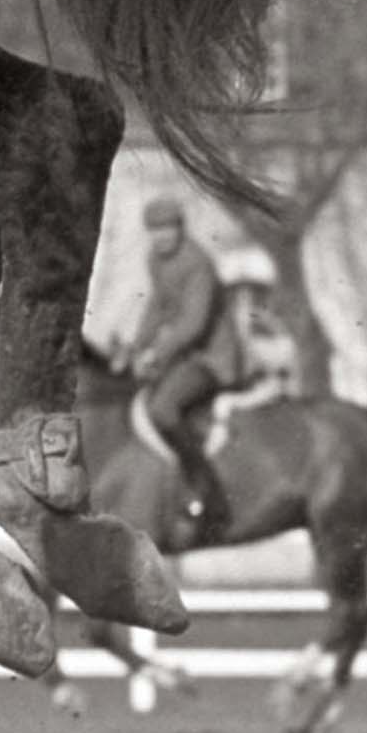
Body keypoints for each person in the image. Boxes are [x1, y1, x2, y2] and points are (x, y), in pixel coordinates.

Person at [122, 193, 239, 543]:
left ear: (180, 229)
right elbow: (157, 307)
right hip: (181, 357)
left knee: (163, 409)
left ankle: (204, 485)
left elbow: (193, 323)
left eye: (168, 228)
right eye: (155, 229)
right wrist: (136, 347)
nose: (161, 236)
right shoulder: (156, 259)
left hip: (211, 360)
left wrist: (156, 354)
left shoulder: (198, 262)